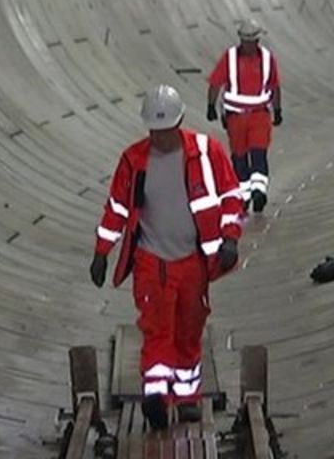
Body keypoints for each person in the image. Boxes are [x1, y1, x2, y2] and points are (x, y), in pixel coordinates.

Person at [89, 84, 243, 430]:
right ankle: (156, 396)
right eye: (154, 132)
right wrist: (102, 251)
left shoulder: (206, 153)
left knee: (189, 327)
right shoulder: (134, 161)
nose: (159, 138)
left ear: (180, 122)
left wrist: (230, 237)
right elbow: (116, 208)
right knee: (157, 328)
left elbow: (232, 195)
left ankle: (187, 396)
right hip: (151, 262)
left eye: (165, 130)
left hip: (193, 263)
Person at [206, 19, 283, 213]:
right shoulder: (238, 58)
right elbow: (216, 83)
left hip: (250, 116)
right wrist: (278, 110)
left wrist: (211, 106)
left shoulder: (257, 58)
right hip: (244, 117)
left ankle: (253, 194)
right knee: (248, 156)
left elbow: (274, 85)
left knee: (251, 154)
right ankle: (251, 194)